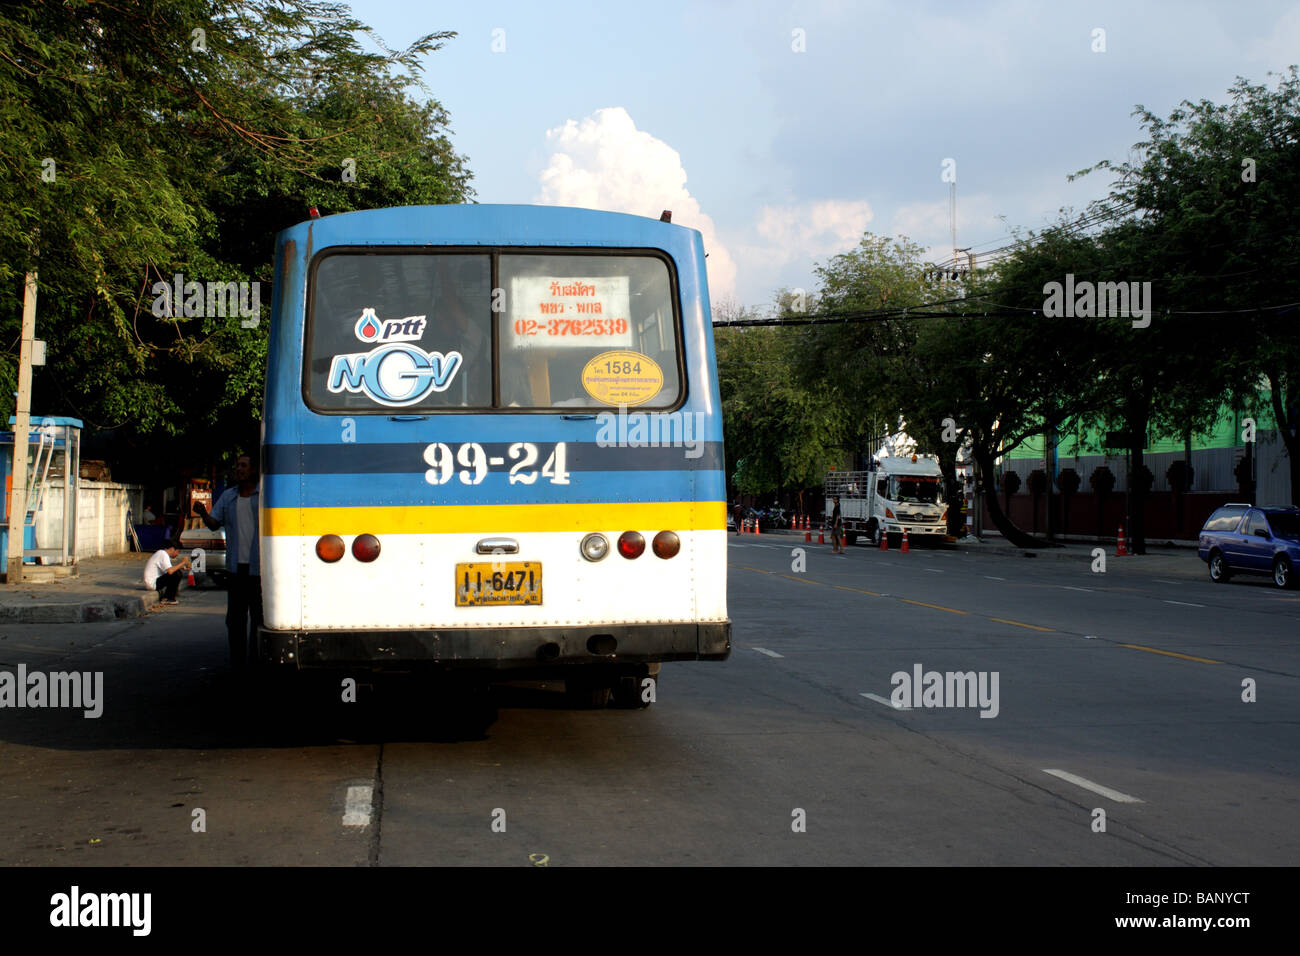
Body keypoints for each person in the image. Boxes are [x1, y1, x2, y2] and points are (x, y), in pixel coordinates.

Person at [194, 454, 261, 669]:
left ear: (253, 470)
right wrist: (203, 512)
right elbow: (214, 524)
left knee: (259, 619)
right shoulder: (229, 496)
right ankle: (237, 662)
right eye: (237, 466)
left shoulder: (264, 495)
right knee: (235, 620)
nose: (238, 469)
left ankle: (256, 661)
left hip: (259, 569)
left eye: (244, 465)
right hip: (235, 568)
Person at [143, 539, 191, 605]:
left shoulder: (161, 553)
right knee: (176, 574)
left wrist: (182, 567)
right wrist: (183, 562)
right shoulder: (163, 554)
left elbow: (169, 569)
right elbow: (171, 571)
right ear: (172, 549)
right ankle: (168, 598)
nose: (178, 554)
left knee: (177, 572)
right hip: (153, 583)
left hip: (153, 582)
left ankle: (171, 595)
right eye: (178, 551)